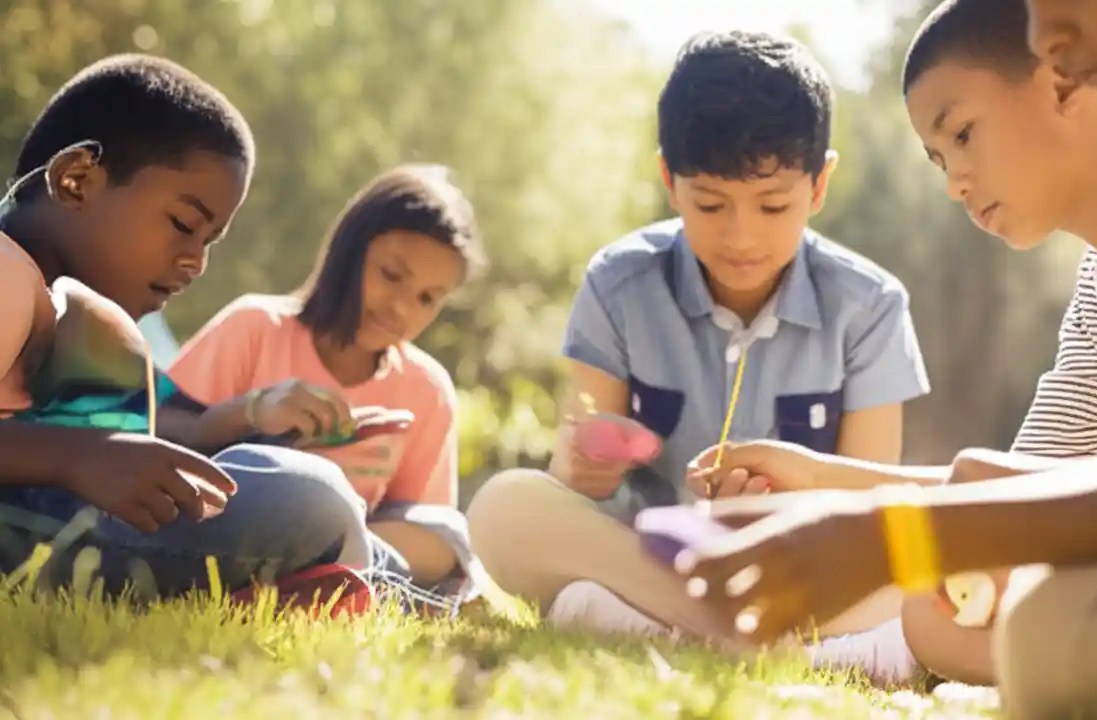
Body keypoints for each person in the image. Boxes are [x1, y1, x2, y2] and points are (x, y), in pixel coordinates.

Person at [676, 4, 1097, 716]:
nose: (955, 183)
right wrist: (823, 482)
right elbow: (1012, 486)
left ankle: (878, 649)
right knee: (993, 574)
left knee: (1037, 622)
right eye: (939, 160)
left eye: (963, 135)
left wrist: (890, 529)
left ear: (1064, 88)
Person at [466, 30, 930, 677]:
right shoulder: (618, 283)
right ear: (669, 180)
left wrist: (781, 501)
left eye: (773, 206)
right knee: (505, 506)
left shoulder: (871, 305)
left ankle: (628, 622)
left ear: (820, 185)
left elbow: (868, 501)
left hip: (799, 570)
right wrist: (583, 467)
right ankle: (792, 648)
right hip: (648, 559)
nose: (742, 236)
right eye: (710, 204)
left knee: (933, 568)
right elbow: (576, 480)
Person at [0, 54, 373, 599]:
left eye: (207, 242)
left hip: (80, 527)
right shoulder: (7, 270)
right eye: (183, 225)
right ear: (77, 180)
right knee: (308, 501)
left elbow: (174, 425)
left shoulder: (69, 312)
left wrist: (257, 419)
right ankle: (352, 578)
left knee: (270, 475)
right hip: (37, 535)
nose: (195, 263)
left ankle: (338, 580)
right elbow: (84, 453)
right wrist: (76, 457)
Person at [168, 164, 486, 608]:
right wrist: (256, 413)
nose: (401, 308)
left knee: (445, 537)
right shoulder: (255, 326)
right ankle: (338, 581)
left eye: (427, 298)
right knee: (313, 500)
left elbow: (414, 521)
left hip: (361, 540)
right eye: (392, 275)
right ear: (349, 252)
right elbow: (162, 429)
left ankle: (321, 581)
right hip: (246, 522)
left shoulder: (427, 388)